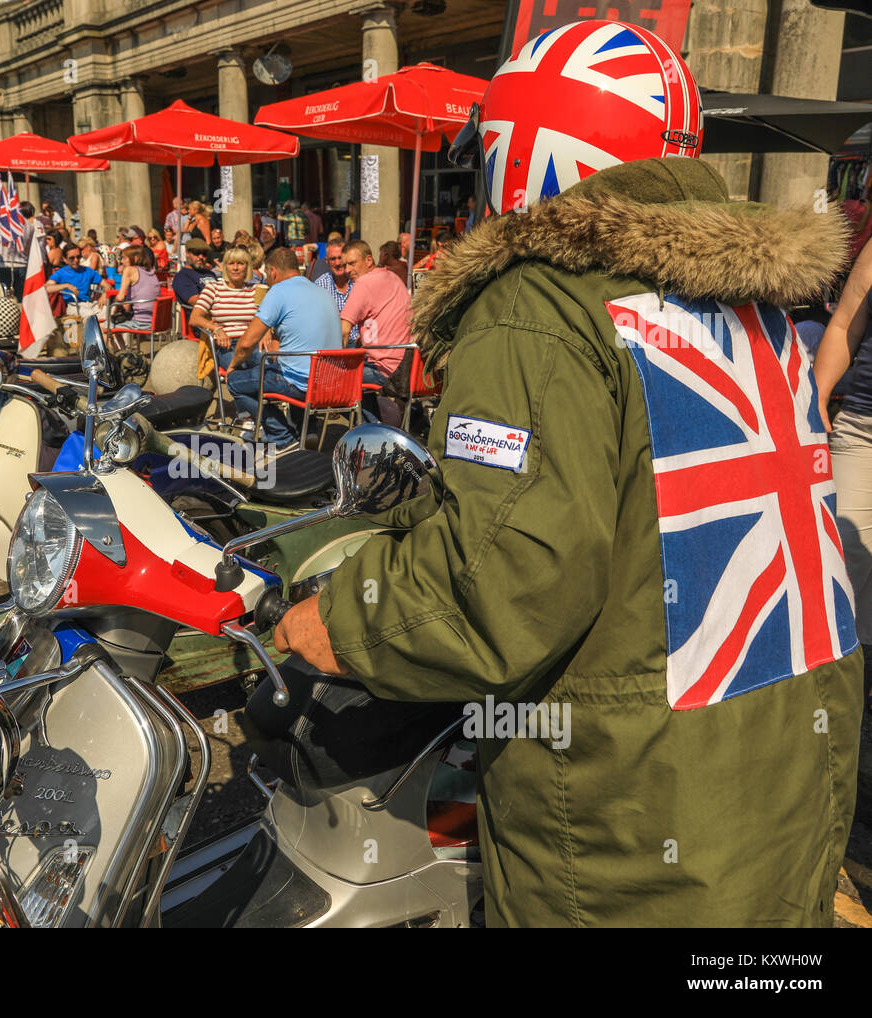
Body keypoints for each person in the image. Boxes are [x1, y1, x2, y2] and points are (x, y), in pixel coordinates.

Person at [272, 19, 862, 928]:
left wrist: (338, 615)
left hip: (629, 830)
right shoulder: (754, 296)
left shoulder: (537, 303)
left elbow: (500, 584)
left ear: (521, 149)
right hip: (777, 778)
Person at [815, 233, 872, 698]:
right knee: (840, 560)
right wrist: (815, 395)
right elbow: (844, 327)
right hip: (862, 429)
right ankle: (837, 690)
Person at [224, 246, 341, 449]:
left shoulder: (279, 290)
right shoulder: (321, 291)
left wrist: (232, 366)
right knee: (292, 366)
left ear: (272, 271)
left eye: (268, 275)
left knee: (235, 382)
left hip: (300, 382)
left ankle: (282, 438)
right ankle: (308, 430)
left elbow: (246, 343)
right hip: (331, 383)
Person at [339, 239, 410, 425]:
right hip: (408, 364)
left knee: (333, 383)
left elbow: (344, 331)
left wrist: (335, 365)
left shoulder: (364, 283)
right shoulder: (392, 277)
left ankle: (374, 430)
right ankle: (377, 425)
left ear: (369, 260)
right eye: (344, 265)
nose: (347, 270)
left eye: (352, 263)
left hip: (386, 368)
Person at [190, 245, 258, 367]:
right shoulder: (214, 288)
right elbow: (194, 318)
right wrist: (216, 328)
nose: (235, 268)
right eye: (231, 263)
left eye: (240, 263)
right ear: (225, 267)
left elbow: (268, 318)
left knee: (267, 364)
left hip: (252, 342)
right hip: (227, 344)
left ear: (247, 267)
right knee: (240, 366)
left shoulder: (255, 289)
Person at [314, 238, 354, 341]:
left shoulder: (358, 282)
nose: (337, 263)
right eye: (333, 259)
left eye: (340, 258)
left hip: (358, 344)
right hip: (332, 344)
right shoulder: (320, 285)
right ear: (327, 261)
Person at [0, 200, 35, 300]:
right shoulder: (30, 226)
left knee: (3, 298)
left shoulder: (1, 222)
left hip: (4, 265)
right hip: (21, 264)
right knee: (20, 297)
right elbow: (29, 248)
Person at [112, 244, 159, 329]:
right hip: (156, 321)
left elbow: (120, 298)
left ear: (135, 258)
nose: (122, 261)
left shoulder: (130, 270)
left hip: (140, 322)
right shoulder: (152, 272)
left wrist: (112, 300)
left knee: (103, 328)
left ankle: (120, 343)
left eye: (124, 258)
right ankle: (122, 343)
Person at [51, 244, 105, 314]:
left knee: (110, 310)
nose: (76, 260)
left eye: (78, 257)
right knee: (89, 314)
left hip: (89, 303)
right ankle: (96, 323)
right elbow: (47, 288)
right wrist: (66, 285)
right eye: (72, 258)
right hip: (72, 304)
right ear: (65, 259)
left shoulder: (87, 270)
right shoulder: (60, 273)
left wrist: (104, 295)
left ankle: (98, 324)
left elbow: (107, 285)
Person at [171, 238, 215, 308]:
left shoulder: (210, 273)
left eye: (204, 254)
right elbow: (196, 301)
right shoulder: (182, 276)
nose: (201, 257)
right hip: (202, 316)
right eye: (196, 253)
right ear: (187, 253)